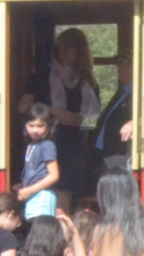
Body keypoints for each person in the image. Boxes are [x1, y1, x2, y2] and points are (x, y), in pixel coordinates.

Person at [19, 28, 100, 199]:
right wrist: (55, 112)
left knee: (65, 196)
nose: (62, 53)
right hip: (46, 139)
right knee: (44, 192)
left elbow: (88, 115)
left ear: (78, 51)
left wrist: (72, 118)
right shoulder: (43, 75)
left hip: (71, 144)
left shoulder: (87, 81)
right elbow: (22, 106)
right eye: (59, 48)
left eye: (68, 48)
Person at [91, 55, 136, 178]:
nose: (119, 68)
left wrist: (135, 122)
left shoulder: (141, 93)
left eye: (124, 65)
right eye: (118, 65)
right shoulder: (123, 90)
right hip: (105, 151)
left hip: (121, 152)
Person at [18, 103, 60, 219]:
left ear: (49, 125)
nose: (35, 130)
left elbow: (54, 175)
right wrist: (23, 185)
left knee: (40, 231)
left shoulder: (47, 145)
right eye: (31, 125)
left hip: (42, 196)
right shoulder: (32, 144)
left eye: (40, 126)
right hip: (33, 195)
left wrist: (30, 190)